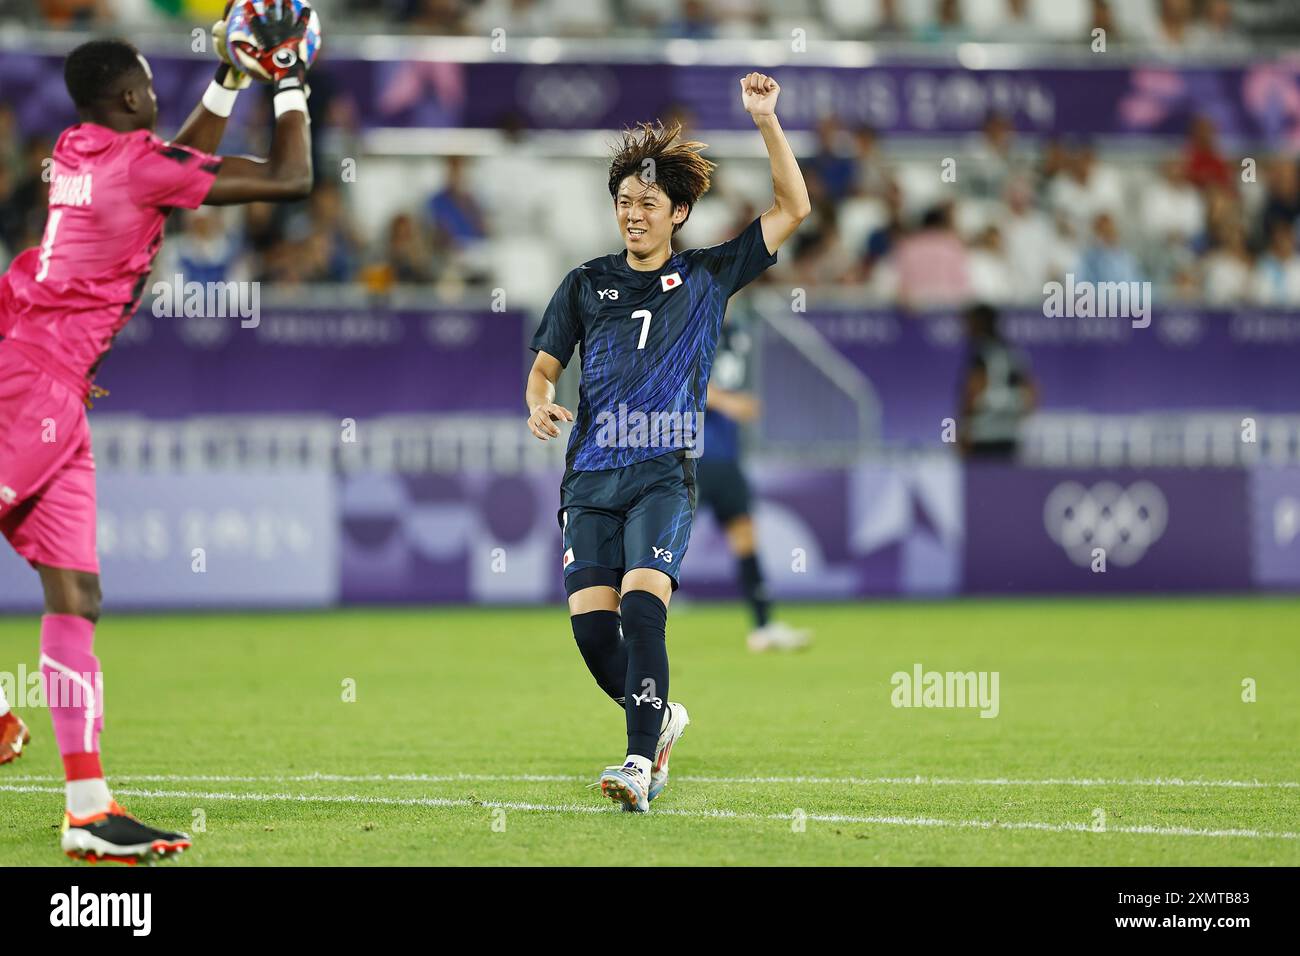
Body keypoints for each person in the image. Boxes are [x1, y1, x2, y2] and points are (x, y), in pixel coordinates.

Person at [0, 2, 317, 862]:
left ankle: (88, 809)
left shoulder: (74, 148)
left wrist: (226, 77)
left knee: (78, 597)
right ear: (135, 96)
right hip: (26, 377)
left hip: (57, 386)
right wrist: (287, 84)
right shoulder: (137, 164)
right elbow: (290, 181)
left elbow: (175, 162)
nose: (153, 93)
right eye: (148, 84)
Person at [523, 73, 809, 812]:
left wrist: (766, 121)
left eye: (649, 203)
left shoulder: (711, 274)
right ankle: (662, 717)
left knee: (643, 610)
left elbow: (794, 207)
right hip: (589, 476)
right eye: (624, 203)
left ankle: (638, 763)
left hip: (661, 474)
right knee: (593, 634)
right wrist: (539, 400)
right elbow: (545, 368)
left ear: (679, 211)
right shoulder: (586, 283)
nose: (634, 215)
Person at [699, 317, 810, 652]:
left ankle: (764, 626)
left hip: (725, 461)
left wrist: (731, 401)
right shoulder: (686, 321)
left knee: (745, 536)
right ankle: (620, 622)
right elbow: (680, 381)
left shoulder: (734, 335)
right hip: (684, 456)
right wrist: (726, 401)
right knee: (660, 544)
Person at [958, 303, 1037, 460]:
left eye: (969, 322)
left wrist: (963, 432)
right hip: (1010, 434)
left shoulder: (982, 354)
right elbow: (1031, 392)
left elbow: (973, 393)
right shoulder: (1013, 352)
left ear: (981, 323)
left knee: (982, 483)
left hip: (982, 436)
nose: (966, 329)